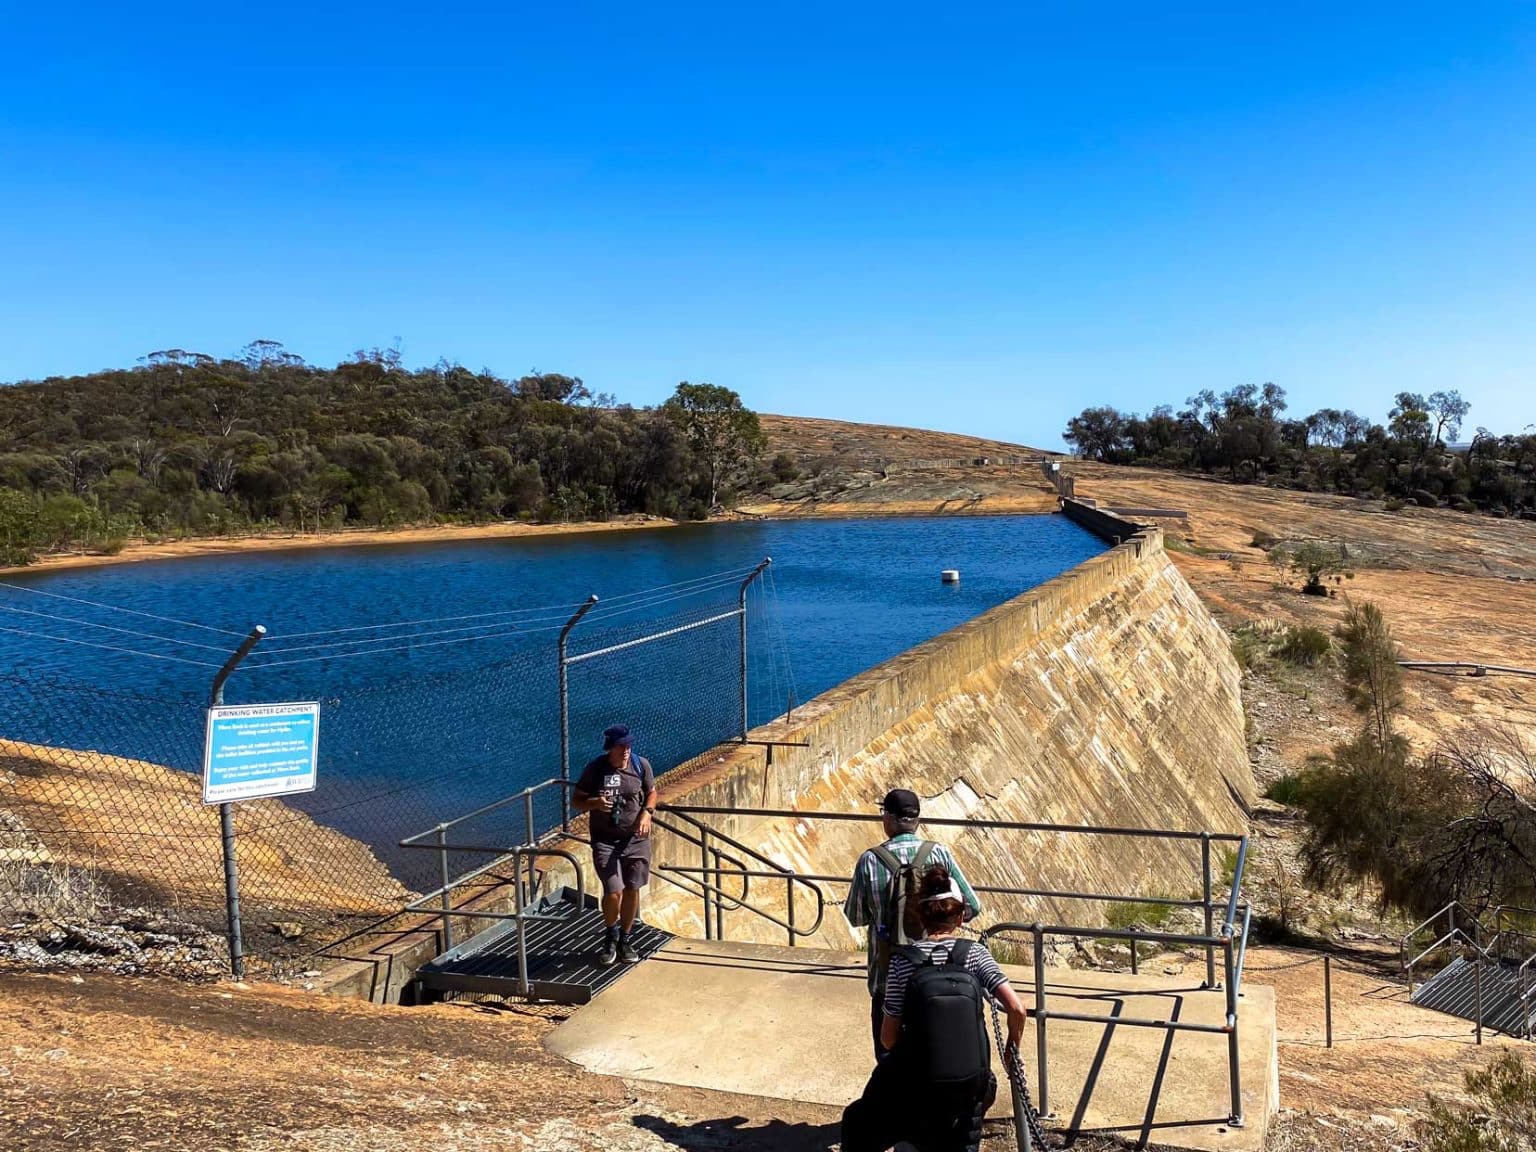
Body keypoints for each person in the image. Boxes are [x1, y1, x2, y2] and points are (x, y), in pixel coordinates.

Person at [842, 863, 1028, 1152]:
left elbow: (887, 1038)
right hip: (972, 1086)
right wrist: (1010, 1048)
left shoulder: (903, 961)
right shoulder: (975, 955)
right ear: (960, 916)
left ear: (920, 916)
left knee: (856, 1121)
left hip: (918, 1086)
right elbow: (1017, 1009)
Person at [844, 788, 981, 1059]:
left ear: (889, 819)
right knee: (937, 1059)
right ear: (916, 820)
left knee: (889, 1063)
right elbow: (972, 906)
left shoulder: (870, 860)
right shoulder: (938, 854)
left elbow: (855, 916)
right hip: (939, 978)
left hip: (887, 978)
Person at [572, 723, 658, 966]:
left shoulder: (641, 765)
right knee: (613, 891)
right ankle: (611, 934)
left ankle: (626, 938)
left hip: (635, 839)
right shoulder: (596, 769)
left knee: (632, 888)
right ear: (611, 748)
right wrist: (595, 803)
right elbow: (576, 800)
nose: (626, 750)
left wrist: (647, 814)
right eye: (622, 746)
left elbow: (651, 792)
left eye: (629, 745)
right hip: (605, 840)